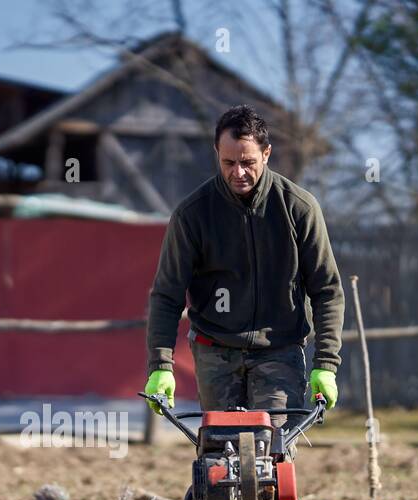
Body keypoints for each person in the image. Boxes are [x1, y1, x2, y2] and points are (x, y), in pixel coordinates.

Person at [143, 104, 344, 428]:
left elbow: (327, 291)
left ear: (266, 153)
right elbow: (167, 294)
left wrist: (326, 364)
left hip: (279, 350)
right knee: (219, 456)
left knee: (272, 452)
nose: (238, 172)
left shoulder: (298, 208)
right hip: (215, 352)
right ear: (216, 154)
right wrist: (160, 365)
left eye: (248, 162)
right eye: (228, 162)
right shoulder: (193, 214)